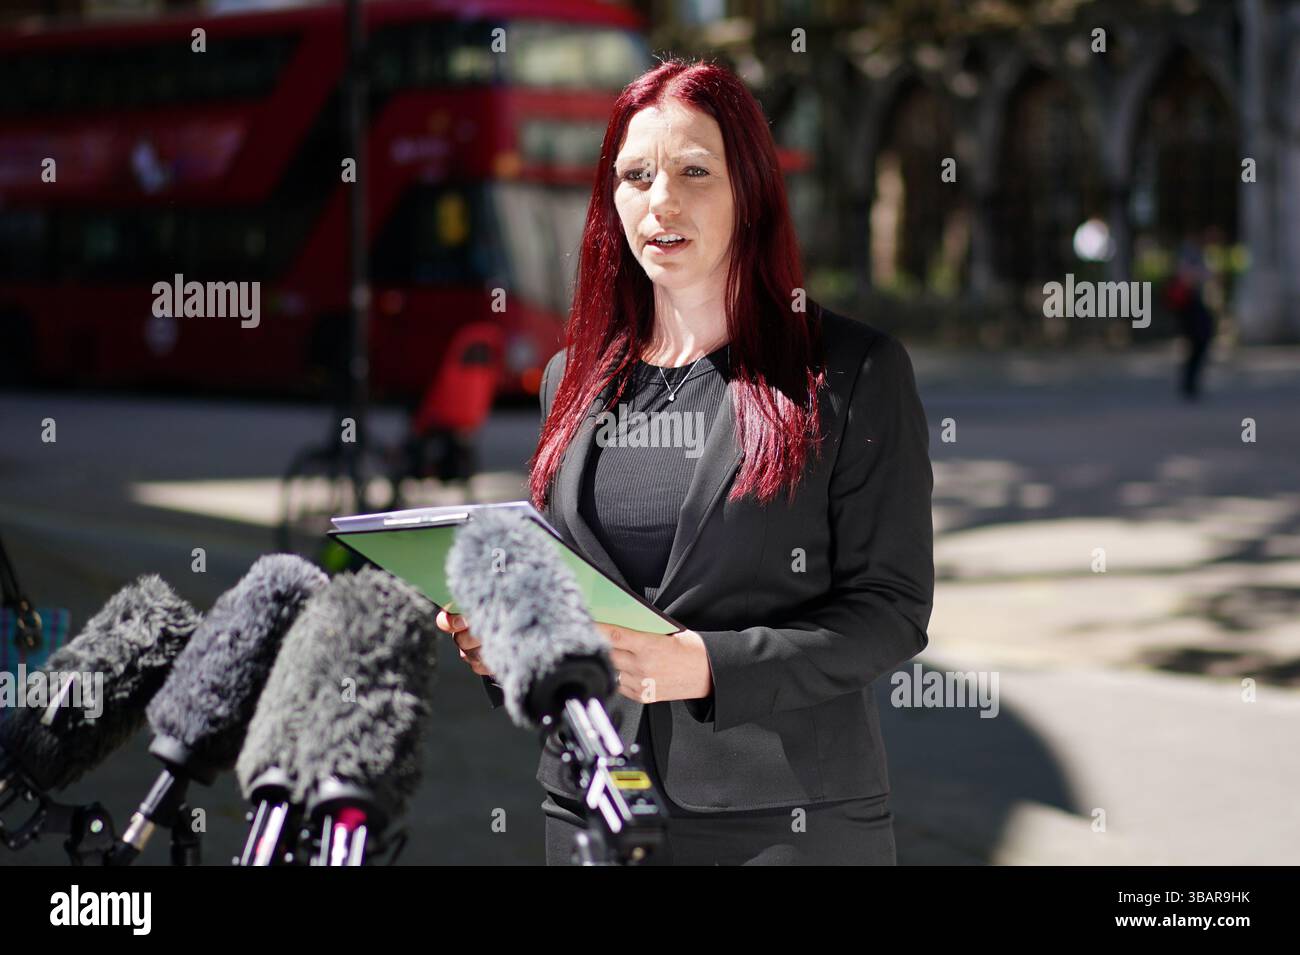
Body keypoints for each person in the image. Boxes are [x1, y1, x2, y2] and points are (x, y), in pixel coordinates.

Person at [436, 58, 934, 865]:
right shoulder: (574, 378)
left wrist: (704, 665)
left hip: (784, 820)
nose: (659, 200)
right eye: (634, 175)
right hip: (591, 800)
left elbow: (891, 610)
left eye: (693, 171)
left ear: (751, 192)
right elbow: (572, 597)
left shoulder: (853, 370)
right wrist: (509, 646)